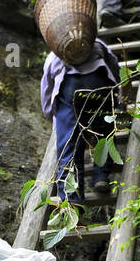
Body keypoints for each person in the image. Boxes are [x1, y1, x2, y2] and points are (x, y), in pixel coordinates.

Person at [40, 31, 122, 208]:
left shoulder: (55, 53)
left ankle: (73, 198)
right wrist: (117, 99)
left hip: (71, 90)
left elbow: (47, 89)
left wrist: (52, 115)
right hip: (100, 86)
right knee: (104, 131)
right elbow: (114, 68)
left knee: (70, 145)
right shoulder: (97, 43)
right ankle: (101, 176)